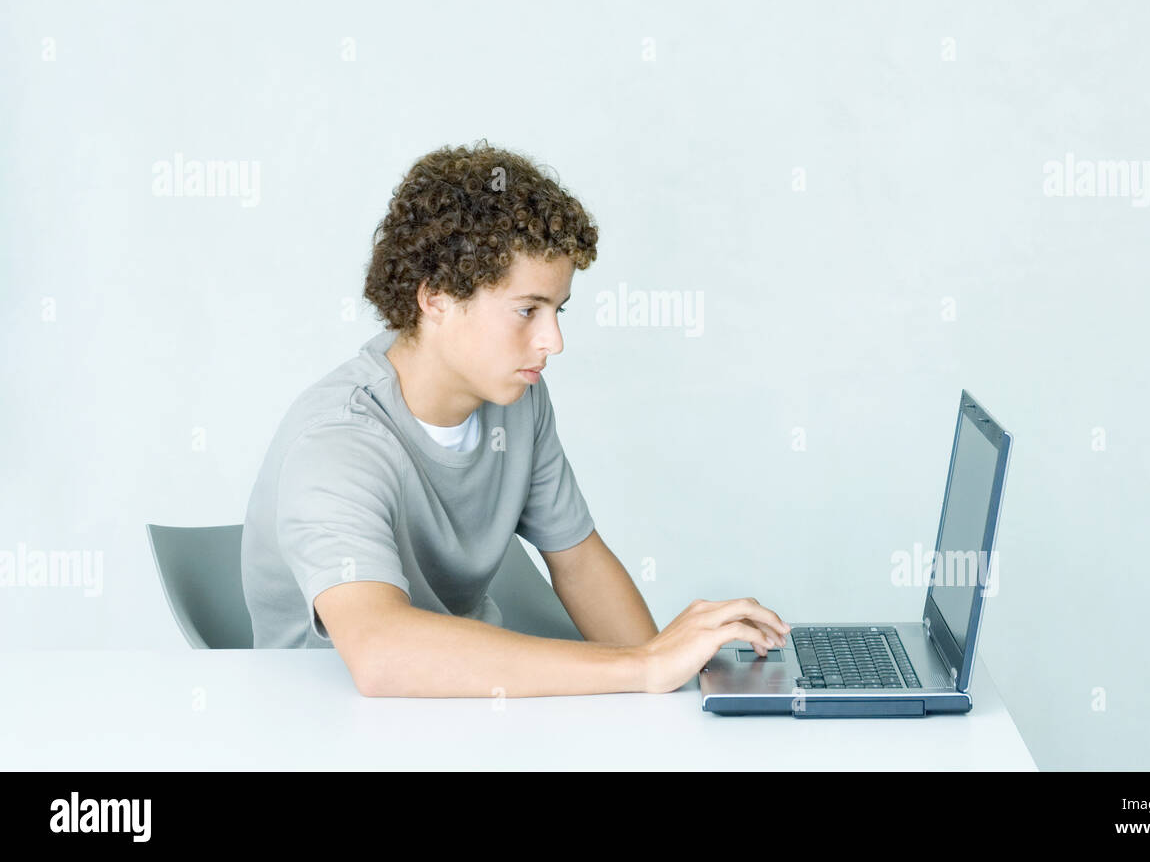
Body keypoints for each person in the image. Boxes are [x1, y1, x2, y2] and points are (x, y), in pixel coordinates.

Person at [240, 139, 789, 697]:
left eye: (557, 310)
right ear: (435, 299)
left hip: (469, 704)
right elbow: (381, 651)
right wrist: (642, 667)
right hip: (330, 723)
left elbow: (577, 561)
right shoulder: (338, 440)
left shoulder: (516, 400)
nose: (553, 341)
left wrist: (675, 678)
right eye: (527, 310)